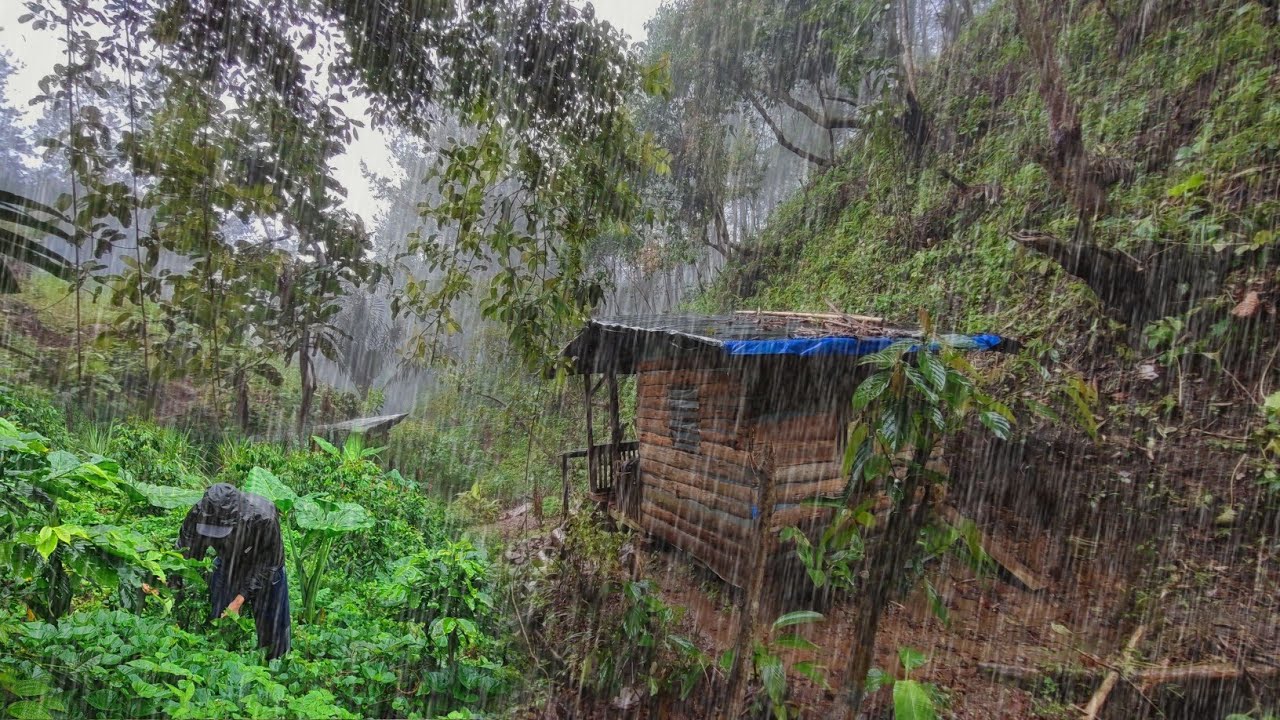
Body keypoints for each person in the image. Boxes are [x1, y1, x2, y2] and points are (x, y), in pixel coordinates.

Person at [178, 483, 291, 660]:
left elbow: (269, 564)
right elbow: (185, 550)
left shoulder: (264, 518)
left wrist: (239, 600)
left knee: (272, 624)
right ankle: (220, 659)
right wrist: (169, 579)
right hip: (228, 561)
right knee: (221, 617)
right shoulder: (199, 512)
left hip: (265, 567)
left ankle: (276, 663)